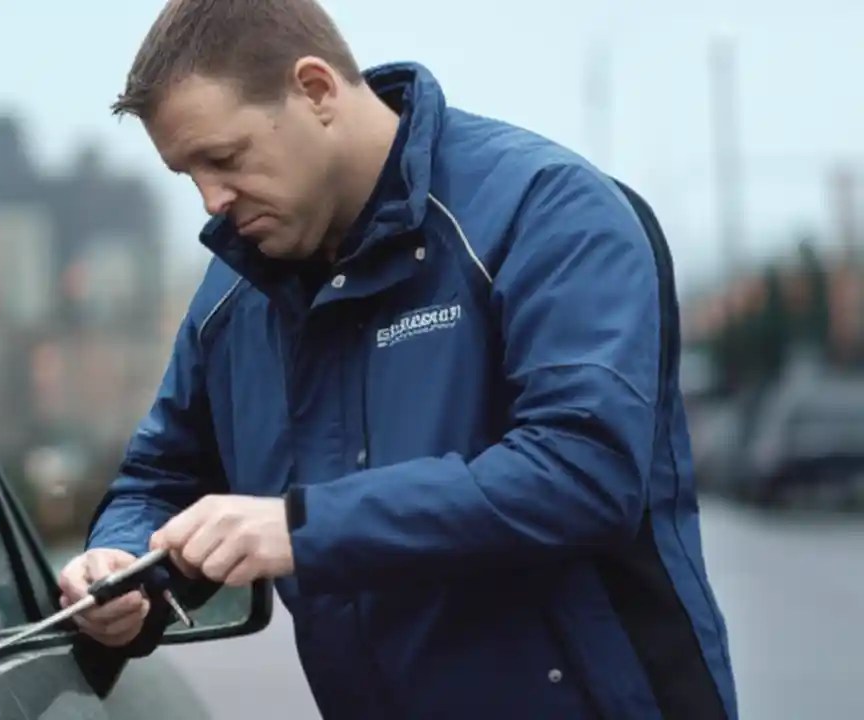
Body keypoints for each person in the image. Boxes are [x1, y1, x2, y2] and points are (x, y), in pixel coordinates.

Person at [56, 1, 738, 717]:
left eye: (224, 159)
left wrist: (299, 526)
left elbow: (583, 472)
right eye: (187, 174)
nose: (210, 201)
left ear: (316, 90)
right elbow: (159, 479)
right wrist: (120, 569)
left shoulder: (548, 212)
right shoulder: (233, 299)